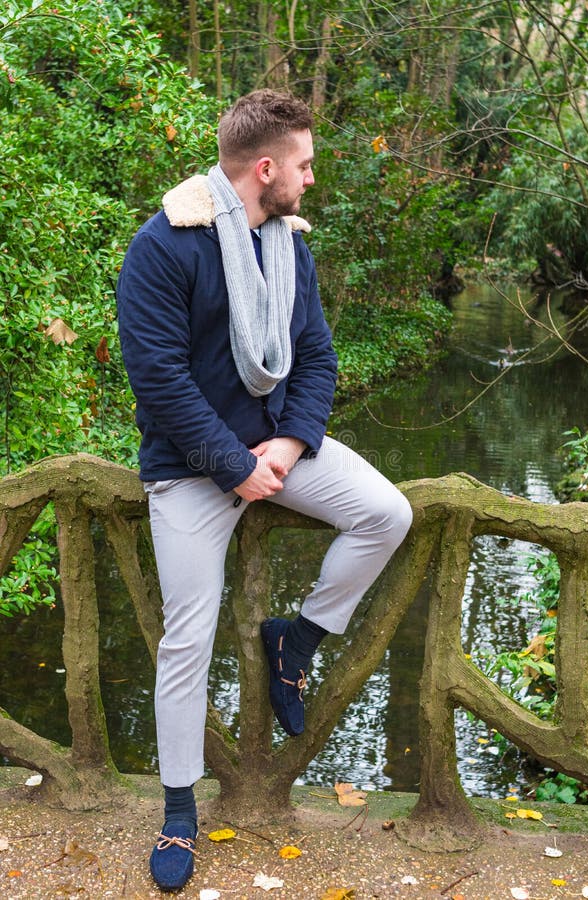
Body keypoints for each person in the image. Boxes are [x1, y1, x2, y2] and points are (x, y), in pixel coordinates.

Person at [117, 89, 413, 892]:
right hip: (188, 465)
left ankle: (300, 640)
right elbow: (159, 382)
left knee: (388, 513)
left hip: (279, 445)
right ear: (266, 167)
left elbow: (316, 359)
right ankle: (179, 811)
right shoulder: (164, 246)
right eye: (306, 165)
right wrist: (235, 465)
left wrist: (283, 443)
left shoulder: (290, 246)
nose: (312, 181)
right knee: (188, 633)